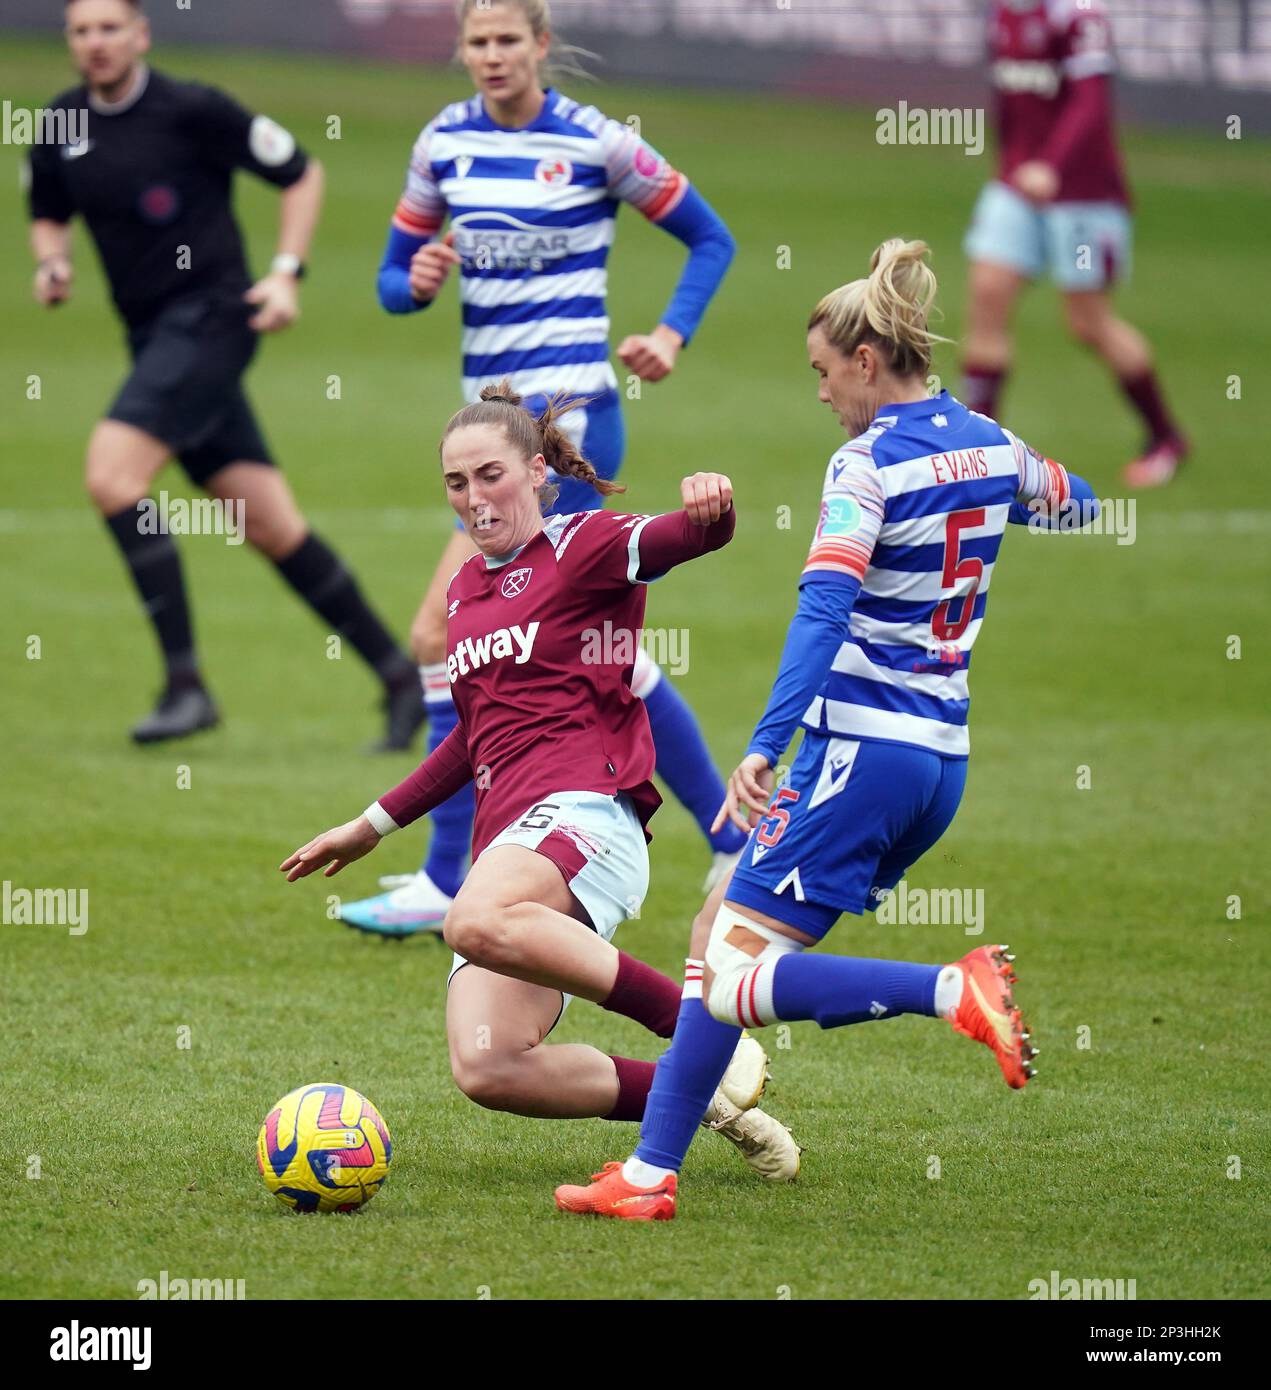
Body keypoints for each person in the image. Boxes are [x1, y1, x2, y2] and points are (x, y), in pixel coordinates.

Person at [556, 238, 1096, 1221]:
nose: (817, 395)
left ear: (862, 360)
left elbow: (820, 613)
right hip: (939, 763)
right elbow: (1075, 504)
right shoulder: (985, 440)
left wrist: (764, 744)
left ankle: (950, 988)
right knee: (716, 938)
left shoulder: (864, 464)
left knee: (728, 972)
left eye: (819, 371)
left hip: (859, 754)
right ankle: (644, 1174)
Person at [281, 386, 799, 1178]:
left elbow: (690, 536)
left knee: (470, 916)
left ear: (534, 471)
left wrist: (711, 506)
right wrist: (372, 824)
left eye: (488, 476)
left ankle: (698, 1030)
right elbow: (470, 740)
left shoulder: (583, 545)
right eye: (456, 484)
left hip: (586, 814)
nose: (473, 499)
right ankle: (693, 1099)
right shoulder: (463, 592)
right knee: (489, 1067)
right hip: (514, 842)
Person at [340, 0, 747, 935]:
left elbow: (711, 238)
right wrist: (416, 284)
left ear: (540, 47)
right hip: (490, 444)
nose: (488, 57)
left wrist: (669, 336)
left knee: (446, 635)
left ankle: (448, 877)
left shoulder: (600, 144)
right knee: (600, 652)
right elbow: (389, 280)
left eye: (505, 41)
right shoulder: (443, 144)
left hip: (567, 434)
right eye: (474, 43)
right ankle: (728, 835)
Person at [27, 0, 424, 747]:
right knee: (269, 523)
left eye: (111, 27)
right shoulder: (59, 122)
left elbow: (302, 173)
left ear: (141, 34)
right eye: (81, 30)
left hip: (212, 320)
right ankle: (401, 680)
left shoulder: (192, 108)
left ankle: (185, 686)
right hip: (153, 342)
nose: (96, 43)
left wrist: (286, 275)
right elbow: (46, 206)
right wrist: (53, 263)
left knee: (113, 479)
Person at [960, 0, 1186, 489]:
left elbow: (1091, 103)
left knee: (1087, 323)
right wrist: (1010, 164)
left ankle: (1166, 436)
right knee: (987, 295)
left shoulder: (1077, 15)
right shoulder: (1003, 13)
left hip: (1083, 193)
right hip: (1017, 184)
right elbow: (1010, 101)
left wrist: (1053, 166)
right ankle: (977, 450)